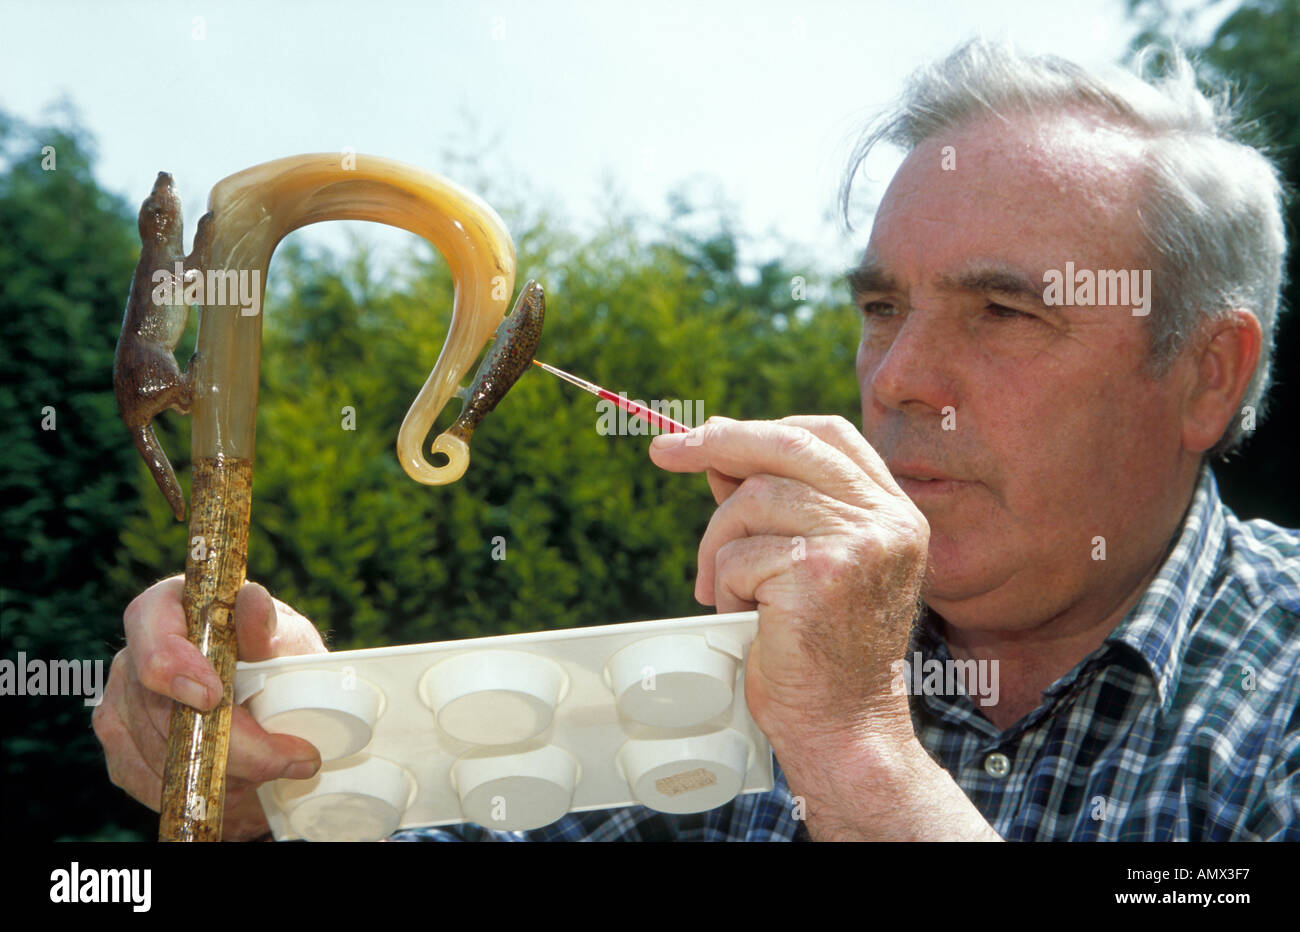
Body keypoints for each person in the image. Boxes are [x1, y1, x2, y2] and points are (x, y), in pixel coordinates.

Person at [93, 38, 1299, 841]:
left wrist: (859, 755)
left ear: (1205, 374)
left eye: (1006, 310)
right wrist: (288, 776)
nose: (900, 376)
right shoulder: (733, 660)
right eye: (882, 307)